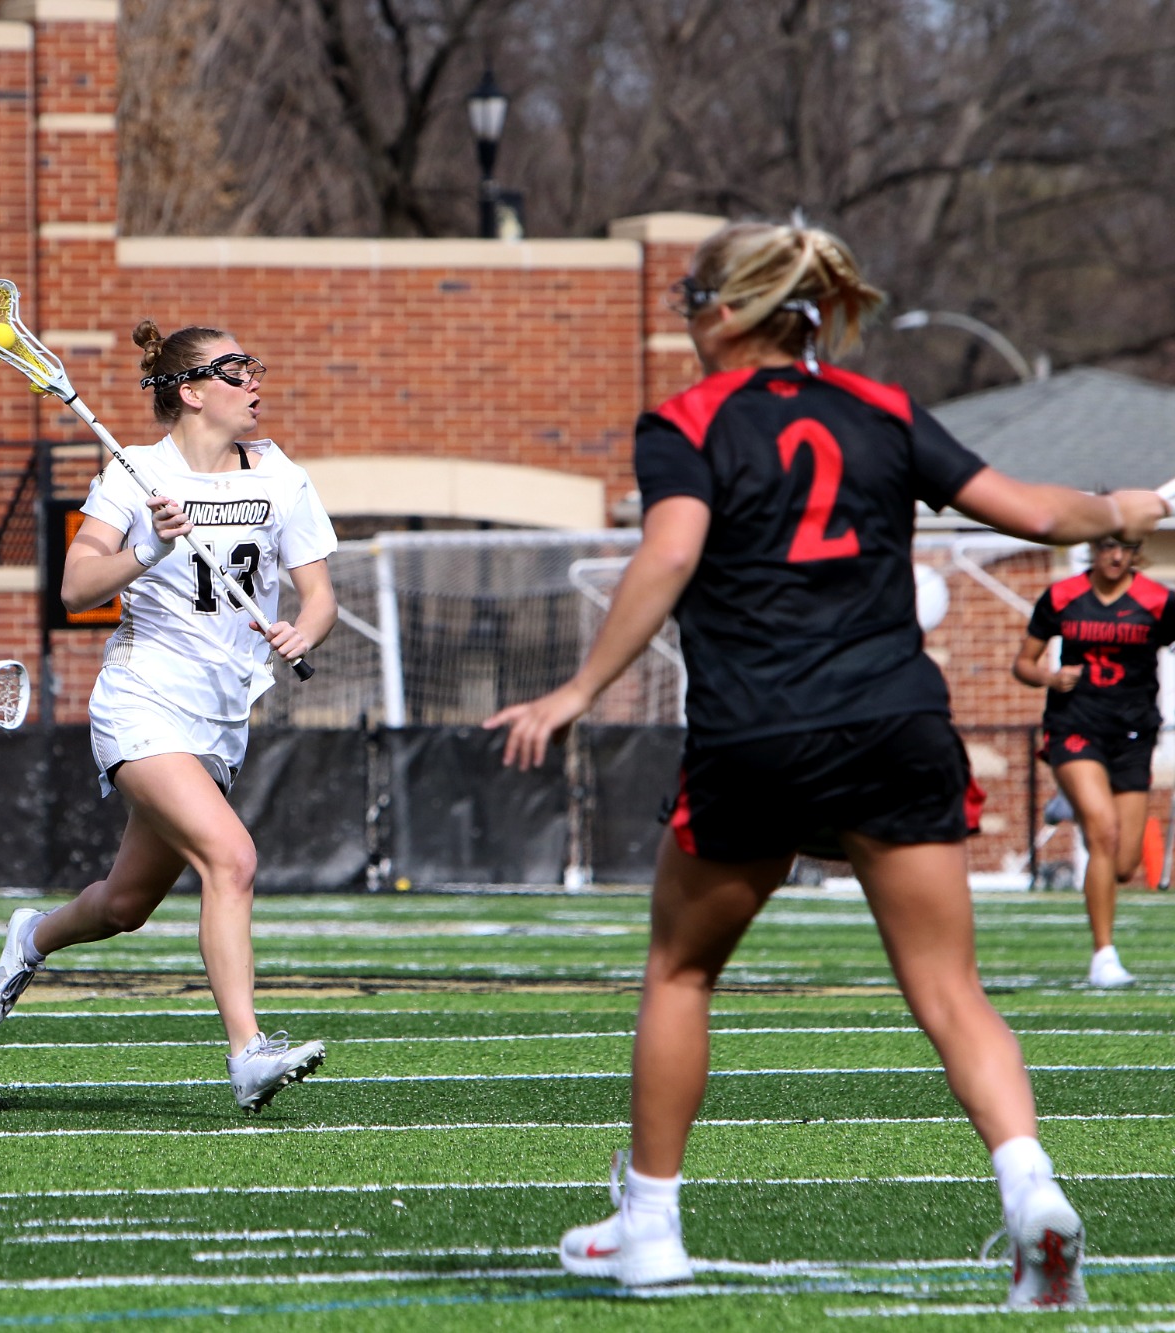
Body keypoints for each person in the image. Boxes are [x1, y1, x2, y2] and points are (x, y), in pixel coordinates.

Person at [484, 220, 1169, 1307]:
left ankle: (650, 1227)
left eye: (692, 302)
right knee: (947, 987)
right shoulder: (881, 410)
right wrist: (1128, 507)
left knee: (680, 970)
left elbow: (667, 550)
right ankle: (1030, 1190)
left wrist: (575, 692)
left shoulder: (683, 422)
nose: (686, 325)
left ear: (731, 310)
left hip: (755, 731)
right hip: (894, 726)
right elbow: (1039, 513)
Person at [0, 321, 339, 1114]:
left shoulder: (280, 476)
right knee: (231, 860)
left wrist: (302, 628)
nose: (254, 382)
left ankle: (31, 938)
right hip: (142, 700)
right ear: (191, 390)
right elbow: (74, 588)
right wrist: (152, 550)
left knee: (124, 905)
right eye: (235, 370)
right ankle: (248, 1052)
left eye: (252, 366)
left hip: (220, 718)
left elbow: (319, 594)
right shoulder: (135, 474)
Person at [1015, 535, 1173, 986]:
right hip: (1075, 727)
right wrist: (1049, 675)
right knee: (1102, 832)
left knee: (1125, 865)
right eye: (1106, 545)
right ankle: (1103, 955)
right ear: (1094, 548)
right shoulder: (1063, 596)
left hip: (1133, 733)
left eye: (1124, 547)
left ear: (1135, 550)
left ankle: (1076, 802)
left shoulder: (1158, 600)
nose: (1115, 555)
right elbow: (1023, 663)